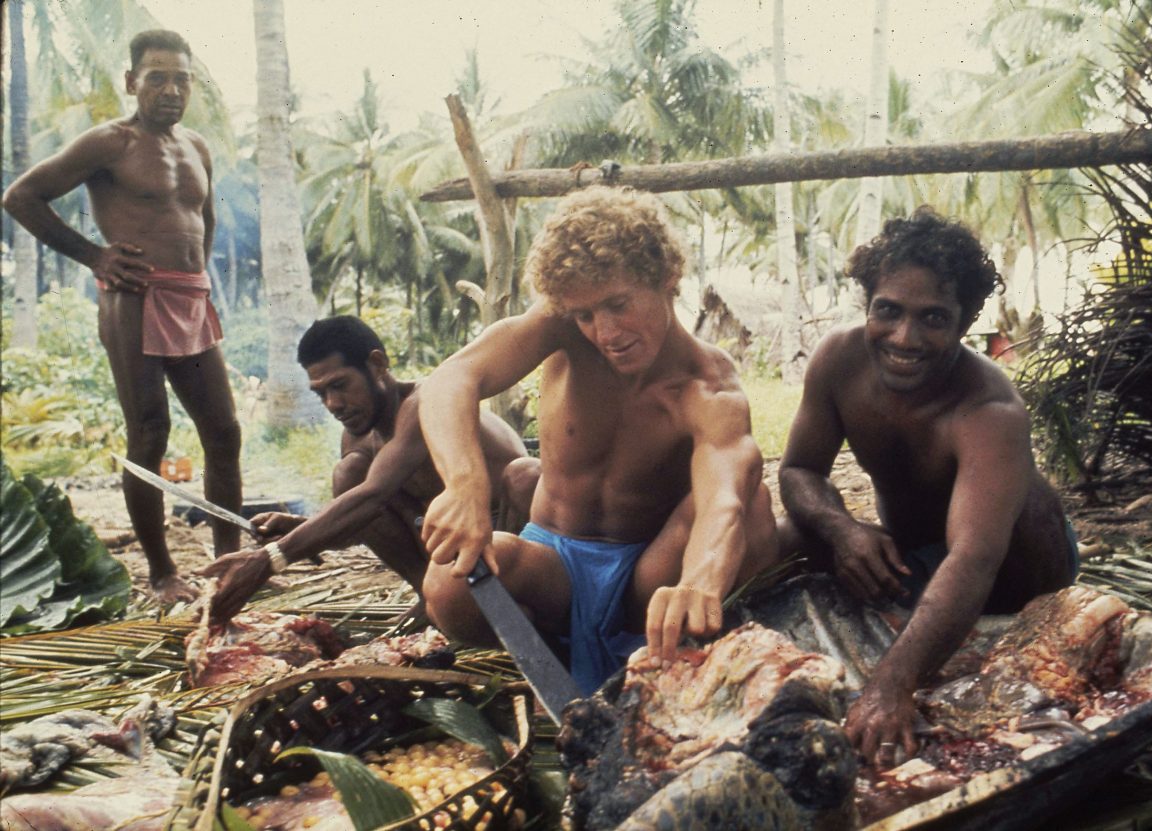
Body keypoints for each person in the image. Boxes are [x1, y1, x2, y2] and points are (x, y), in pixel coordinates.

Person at [416, 185, 781, 696]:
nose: (605, 332)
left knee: (755, 499)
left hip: (645, 576)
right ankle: (555, 655)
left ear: (666, 279)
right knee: (446, 584)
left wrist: (698, 583)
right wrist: (464, 485)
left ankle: (640, 648)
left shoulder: (707, 388)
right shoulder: (563, 329)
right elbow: (450, 380)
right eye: (586, 315)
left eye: (618, 304)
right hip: (556, 563)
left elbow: (724, 500)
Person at [778, 207, 1078, 768]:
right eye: (887, 311)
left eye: (933, 318)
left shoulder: (990, 408)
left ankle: (1000, 642)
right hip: (910, 561)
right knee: (785, 532)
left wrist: (892, 685)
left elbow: (973, 557)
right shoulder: (838, 361)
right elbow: (798, 470)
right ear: (867, 303)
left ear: (964, 324)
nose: (904, 337)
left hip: (1008, 577)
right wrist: (841, 529)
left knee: (1027, 498)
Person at [2, 30, 241, 603]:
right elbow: (21, 197)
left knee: (225, 433)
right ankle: (162, 574)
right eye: (156, 77)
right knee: (150, 429)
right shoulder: (110, 142)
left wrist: (200, 279)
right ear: (131, 82)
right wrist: (94, 255)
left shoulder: (198, 148)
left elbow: (202, 220)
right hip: (133, 296)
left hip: (190, 294)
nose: (170, 89)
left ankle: (233, 562)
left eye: (181, 77)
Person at [201, 315, 538, 624]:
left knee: (525, 476)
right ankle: (431, 598)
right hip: (454, 555)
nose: (332, 404)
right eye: (321, 393)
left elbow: (374, 496)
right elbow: (366, 519)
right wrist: (302, 530)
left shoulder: (424, 403)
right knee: (348, 475)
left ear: (377, 365)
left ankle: (524, 604)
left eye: (340, 385)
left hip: (512, 545)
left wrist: (271, 558)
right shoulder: (358, 441)